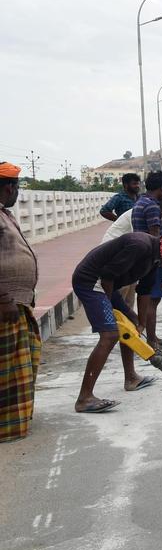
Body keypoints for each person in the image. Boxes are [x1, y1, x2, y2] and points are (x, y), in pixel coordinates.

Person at [72, 231, 162, 414]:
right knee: (110, 335)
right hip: (91, 281)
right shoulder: (140, 246)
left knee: (131, 326)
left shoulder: (155, 258)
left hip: (107, 284)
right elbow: (107, 275)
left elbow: (144, 291)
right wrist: (109, 309)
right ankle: (84, 398)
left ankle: (131, 378)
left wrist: (140, 323)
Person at [1, 162, 40, 442]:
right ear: (8, 187)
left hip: (18, 302)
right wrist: (3, 299)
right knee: (7, 370)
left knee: (20, 365)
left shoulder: (5, 215)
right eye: (16, 187)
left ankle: (14, 422)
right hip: (6, 304)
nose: (16, 193)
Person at [129, 171, 162, 355]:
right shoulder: (152, 206)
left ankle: (153, 338)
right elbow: (155, 239)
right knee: (152, 302)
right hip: (152, 260)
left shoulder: (139, 203)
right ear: (161, 188)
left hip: (142, 257)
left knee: (147, 300)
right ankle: (152, 343)